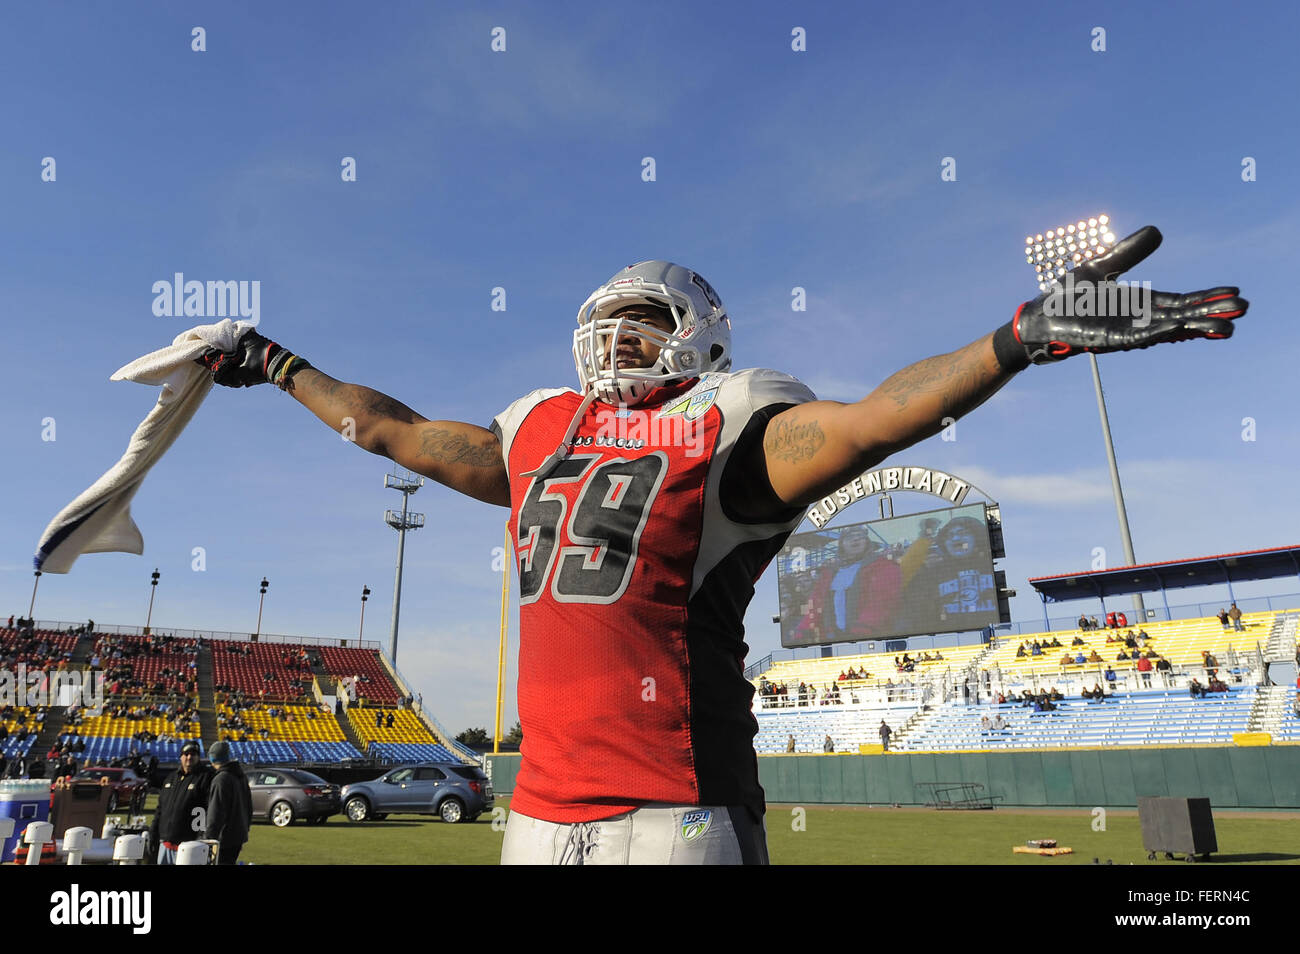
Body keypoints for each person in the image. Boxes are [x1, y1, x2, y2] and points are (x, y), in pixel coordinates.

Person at [195, 243, 1246, 866]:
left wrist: (1019, 338)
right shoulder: (539, 429)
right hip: (540, 814)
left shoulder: (728, 425)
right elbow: (391, 430)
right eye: (607, 323)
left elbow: (875, 419)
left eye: (644, 323)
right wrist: (280, 363)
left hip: (673, 812)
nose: (618, 341)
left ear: (698, 337)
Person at [149, 740, 214, 865]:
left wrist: (200, 836)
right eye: (186, 754)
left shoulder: (205, 777)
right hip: (165, 843)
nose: (189, 757)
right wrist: (153, 831)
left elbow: (206, 809)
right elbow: (160, 809)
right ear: (180, 756)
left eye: (193, 754)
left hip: (188, 845)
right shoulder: (171, 778)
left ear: (198, 757)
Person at [204, 741, 252, 866]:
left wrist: (208, 840)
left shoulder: (221, 779)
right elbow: (248, 807)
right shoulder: (240, 776)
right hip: (237, 836)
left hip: (224, 839)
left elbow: (215, 813)